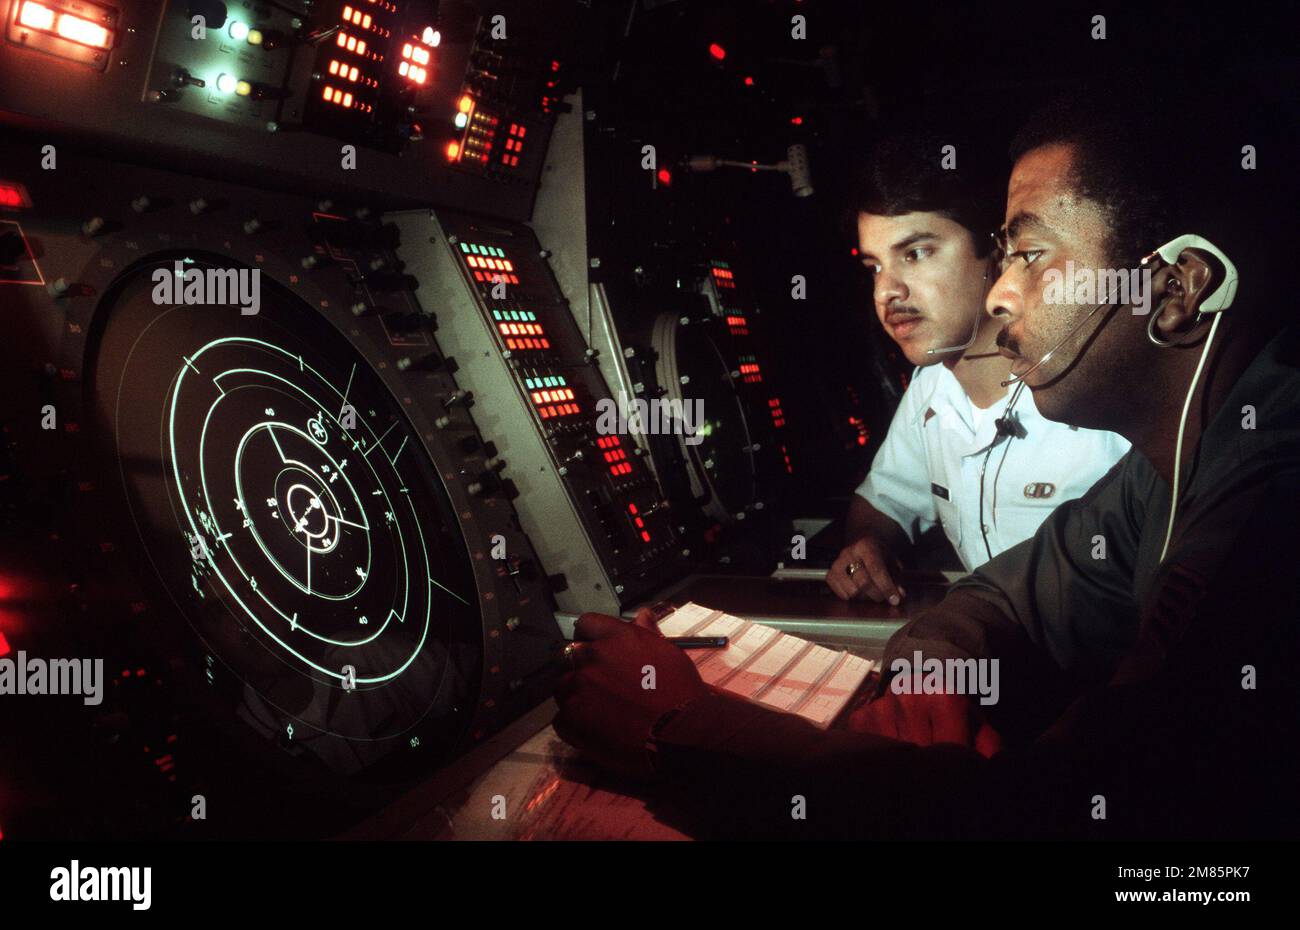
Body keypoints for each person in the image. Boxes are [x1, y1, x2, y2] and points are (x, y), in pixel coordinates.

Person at [553, 85, 1300, 839]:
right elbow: (1007, 598)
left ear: (1177, 288)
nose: (1002, 294)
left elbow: (1057, 814)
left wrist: (678, 727)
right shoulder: (1160, 472)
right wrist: (932, 688)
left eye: (1032, 255)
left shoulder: (1270, 494)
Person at [831, 132, 1129, 604]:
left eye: (916, 253)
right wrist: (870, 546)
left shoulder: (1093, 391)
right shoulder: (930, 388)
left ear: (998, 252)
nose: (887, 291)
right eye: (874, 266)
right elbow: (881, 503)